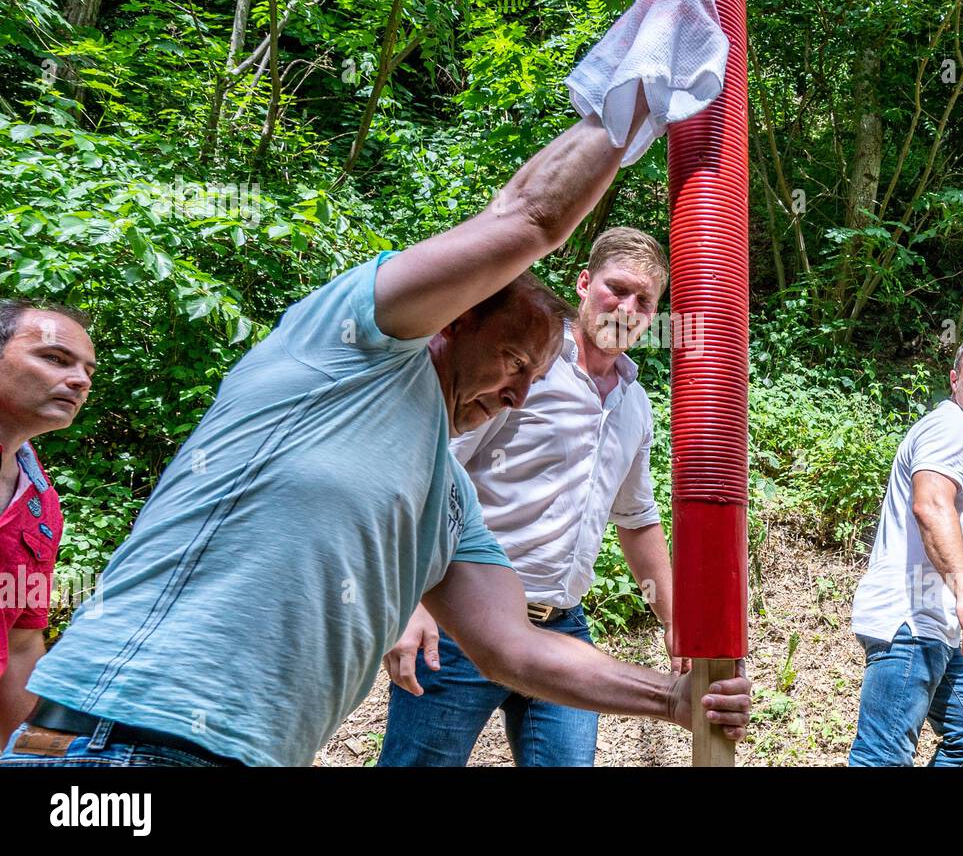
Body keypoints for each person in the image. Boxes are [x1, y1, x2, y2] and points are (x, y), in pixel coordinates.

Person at [1, 73, 750, 768]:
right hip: (115, 739)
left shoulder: (449, 499)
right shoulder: (350, 352)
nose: (521, 395)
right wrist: (645, 87)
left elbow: (515, 649)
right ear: (451, 322)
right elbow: (528, 217)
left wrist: (674, 698)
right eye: (515, 364)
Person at [379, 227, 681, 767]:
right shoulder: (525, 364)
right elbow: (430, 462)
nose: (628, 307)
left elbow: (635, 519)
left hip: (563, 627)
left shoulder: (635, 405)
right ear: (584, 283)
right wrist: (411, 600)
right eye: (617, 288)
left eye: (645, 299)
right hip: (462, 624)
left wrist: (672, 618)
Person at [847, 330, 963, 767]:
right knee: (882, 758)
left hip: (933, 624)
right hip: (910, 621)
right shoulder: (950, 427)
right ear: (955, 379)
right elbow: (931, 505)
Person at [0, 300, 95, 746]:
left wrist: (22, 753)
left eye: (88, 372)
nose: (79, 381)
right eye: (55, 358)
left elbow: (21, 643)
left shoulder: (42, 506)